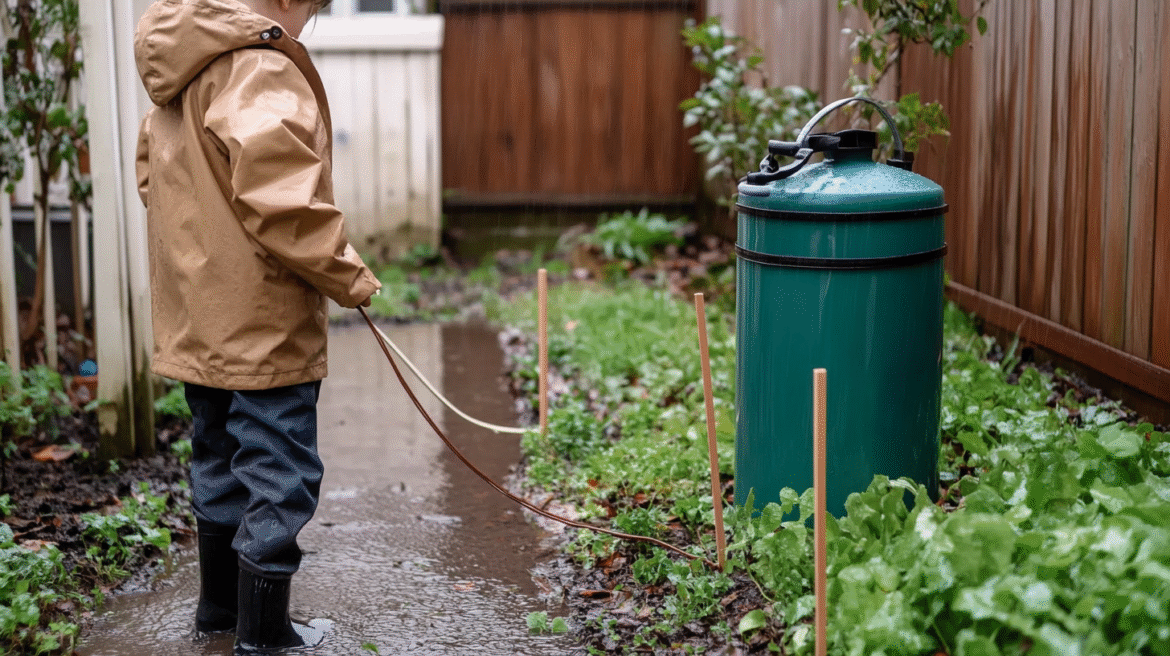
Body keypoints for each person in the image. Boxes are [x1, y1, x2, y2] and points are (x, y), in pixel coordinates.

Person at [133, 0, 379, 650]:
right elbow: (284, 197)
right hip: (262, 319)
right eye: (314, 13)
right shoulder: (258, 67)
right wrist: (348, 275)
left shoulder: (183, 67)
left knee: (217, 453)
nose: (306, 29)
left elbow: (150, 178)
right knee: (279, 467)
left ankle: (219, 610)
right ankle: (265, 635)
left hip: (198, 313)